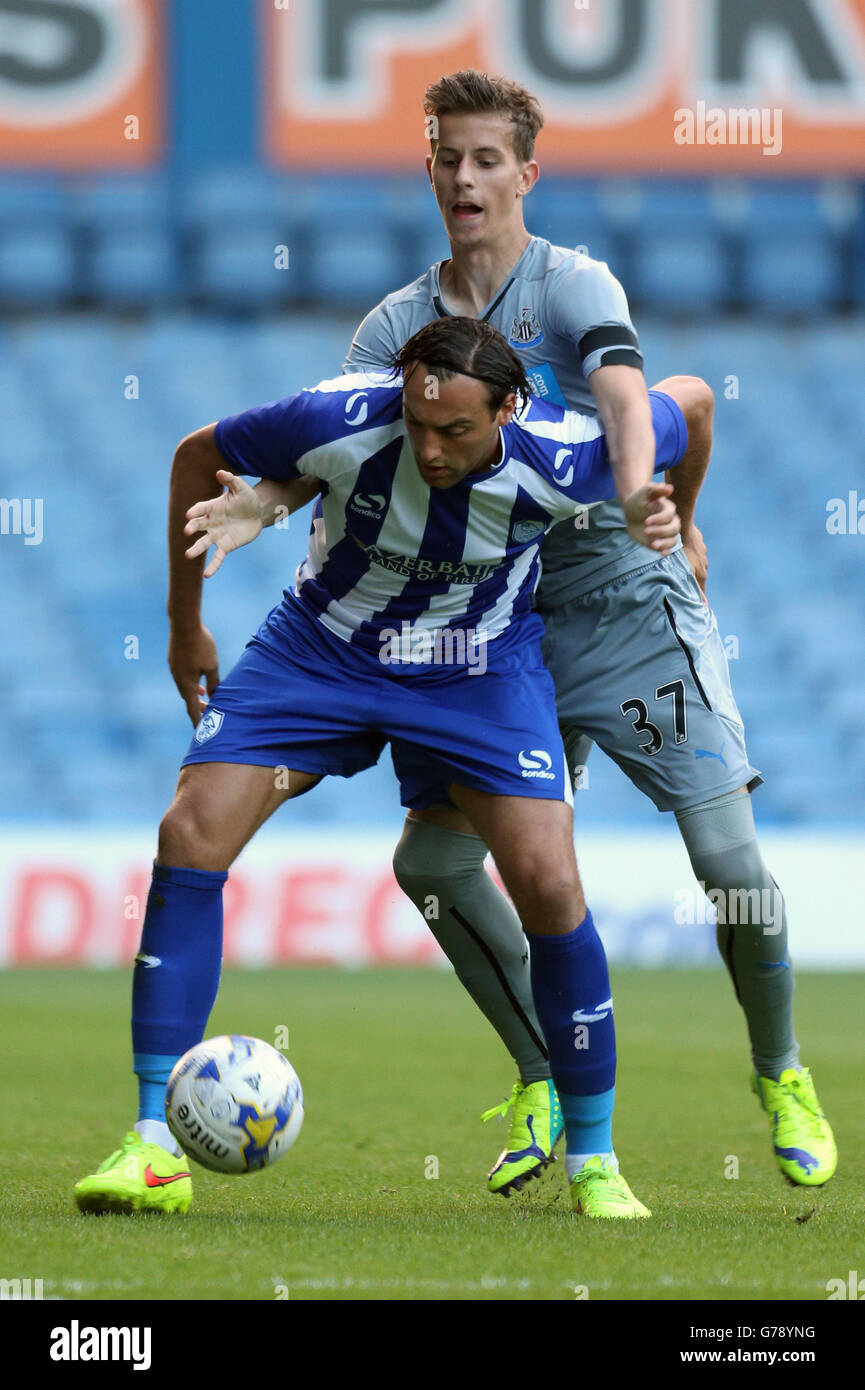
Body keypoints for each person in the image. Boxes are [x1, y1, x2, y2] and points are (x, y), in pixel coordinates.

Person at [248, 68, 836, 1202]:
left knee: (731, 867)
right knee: (429, 865)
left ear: (525, 170)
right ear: (428, 167)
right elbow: (339, 456)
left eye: (486, 160)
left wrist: (659, 507)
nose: (465, 179)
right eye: (446, 157)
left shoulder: (572, 286)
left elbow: (654, 399)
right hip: (494, 626)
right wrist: (263, 504)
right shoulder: (393, 329)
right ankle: (539, 1071)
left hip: (625, 612)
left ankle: (780, 1071)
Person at [73, 315, 686, 1217]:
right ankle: (151, 1147)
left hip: (473, 671)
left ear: (508, 410)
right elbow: (192, 455)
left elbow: (692, 405)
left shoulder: (568, 456)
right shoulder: (340, 417)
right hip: (321, 652)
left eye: (456, 431)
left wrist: (687, 521)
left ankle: (594, 1160)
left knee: (550, 884)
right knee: (188, 834)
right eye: (418, 423)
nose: (430, 449)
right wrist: (183, 623)